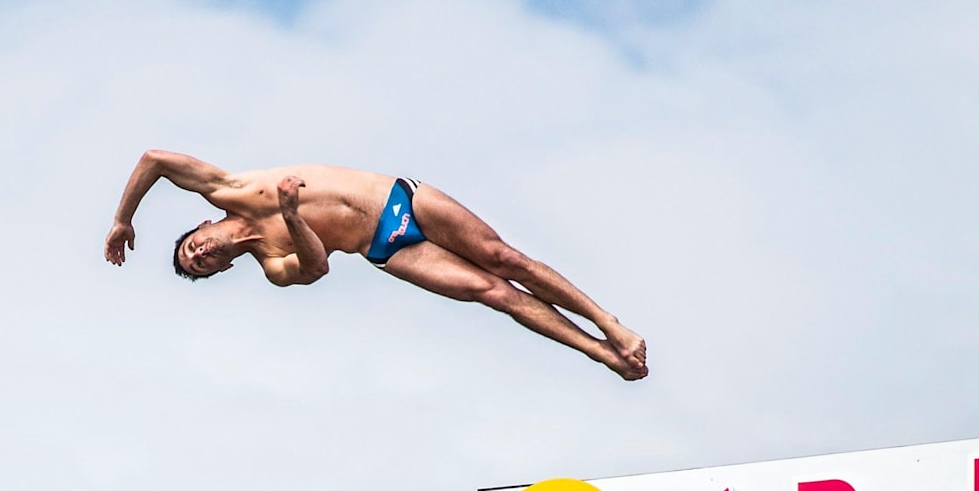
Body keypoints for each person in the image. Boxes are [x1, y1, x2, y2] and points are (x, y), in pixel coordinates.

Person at [103, 150, 648, 380]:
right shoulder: (272, 263)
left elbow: (154, 160)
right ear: (220, 271)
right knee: (493, 293)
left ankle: (609, 323)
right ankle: (602, 355)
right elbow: (317, 268)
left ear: (202, 228)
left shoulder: (233, 188)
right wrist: (292, 216)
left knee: (506, 260)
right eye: (200, 268)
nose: (200, 257)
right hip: (385, 246)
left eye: (192, 249)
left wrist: (124, 219)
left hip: (399, 200)